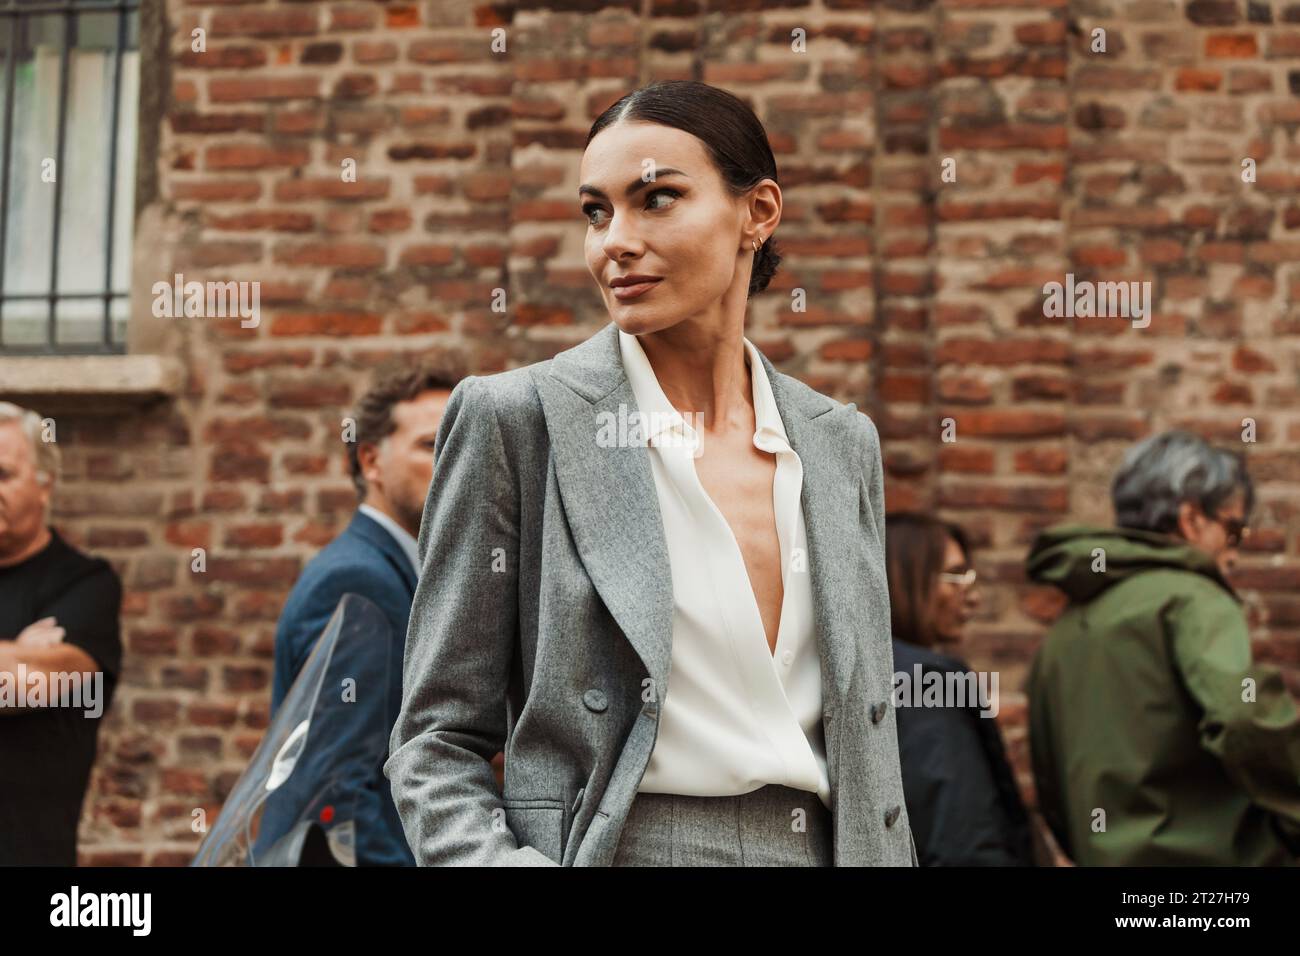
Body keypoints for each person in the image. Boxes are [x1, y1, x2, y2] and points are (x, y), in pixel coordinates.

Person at [386, 79, 916, 867]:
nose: (614, 242)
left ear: (758, 212)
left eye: (656, 199)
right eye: (595, 212)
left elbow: (870, 747)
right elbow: (435, 739)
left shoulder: (840, 444)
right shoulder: (518, 421)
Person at [1026, 429, 1300, 865]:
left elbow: (1051, 778)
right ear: (1192, 519)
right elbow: (1245, 717)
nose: (1235, 554)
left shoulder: (1067, 626)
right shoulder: (1194, 598)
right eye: (1234, 530)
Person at [262, 357, 458, 865]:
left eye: (460, 444)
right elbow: (337, 790)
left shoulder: (400, 569)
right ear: (370, 462)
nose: (452, 461)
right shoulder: (359, 581)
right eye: (428, 445)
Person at [0, 402, 122, 866]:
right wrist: (16, 653)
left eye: (2, 474)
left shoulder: (86, 586)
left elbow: (30, 684)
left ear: (45, 485)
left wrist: (23, 668)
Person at [885, 513, 1035, 866]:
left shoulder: (873, 674)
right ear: (900, 578)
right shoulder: (926, 683)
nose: (973, 597)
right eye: (955, 576)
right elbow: (962, 843)